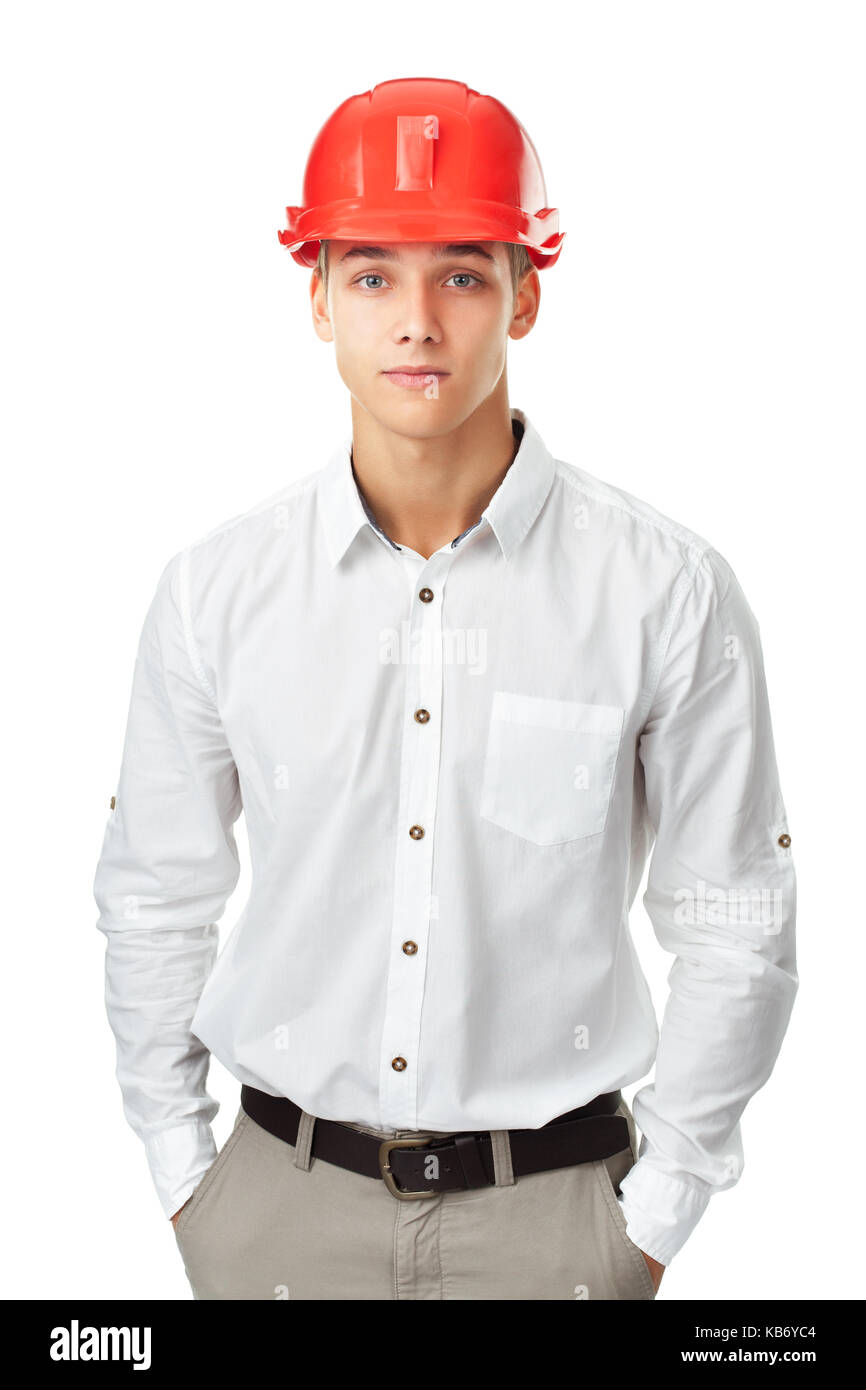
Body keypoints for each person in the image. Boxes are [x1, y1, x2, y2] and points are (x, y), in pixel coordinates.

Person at [93, 76, 798, 1301]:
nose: (415, 320)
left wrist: (652, 1218)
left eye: (461, 274)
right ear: (315, 296)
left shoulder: (662, 590)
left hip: (556, 1229)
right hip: (273, 1222)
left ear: (526, 291)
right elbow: (156, 897)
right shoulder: (216, 593)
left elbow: (733, 917)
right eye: (371, 273)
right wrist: (185, 1178)